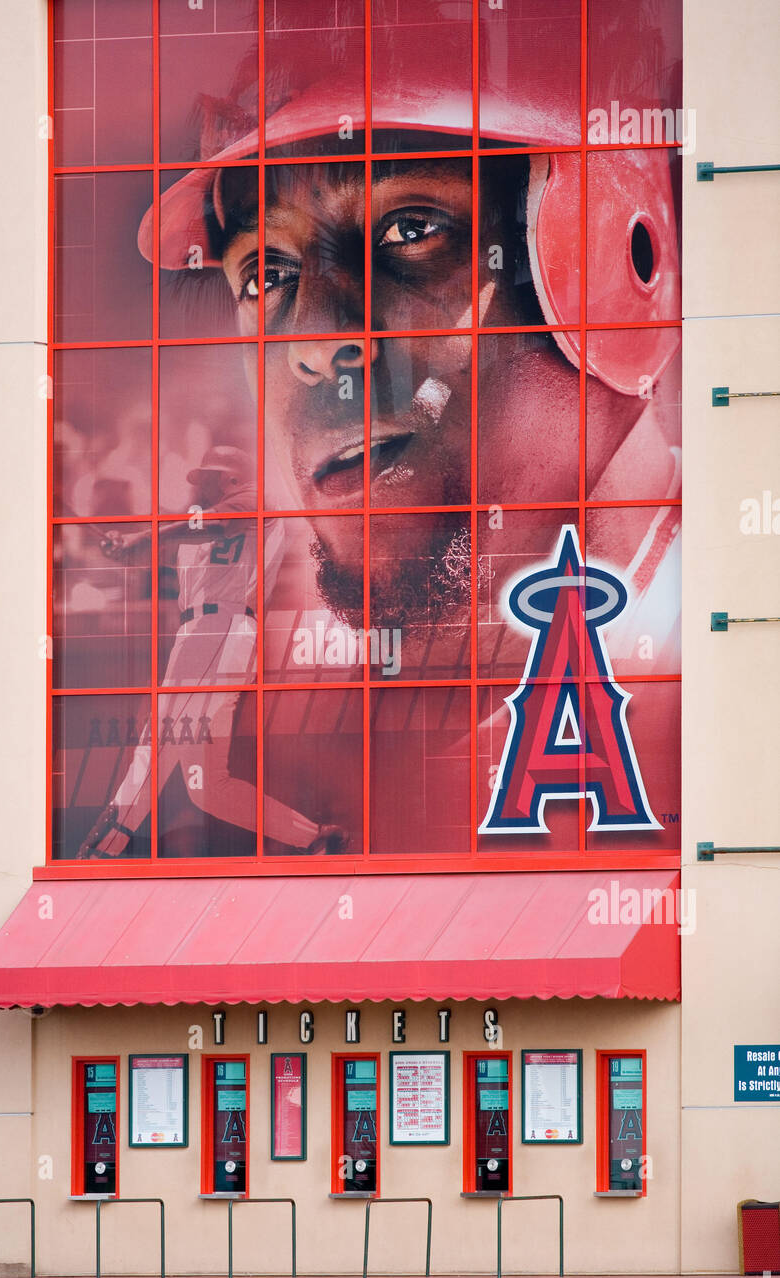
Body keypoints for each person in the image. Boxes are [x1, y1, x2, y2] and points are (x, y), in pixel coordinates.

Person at [131, 13, 683, 848]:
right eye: (266, 273)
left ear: (616, 259)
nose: (314, 345)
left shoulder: (729, 650)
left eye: (409, 231)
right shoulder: (359, 711)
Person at [78, 446, 348, 857]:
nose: (199, 484)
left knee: (160, 737)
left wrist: (143, 536)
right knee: (208, 788)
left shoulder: (253, 498)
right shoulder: (195, 528)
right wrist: (126, 546)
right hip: (203, 636)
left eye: (208, 476)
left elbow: (207, 525)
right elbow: (173, 542)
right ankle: (316, 837)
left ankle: (105, 848)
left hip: (221, 627)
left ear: (231, 478)